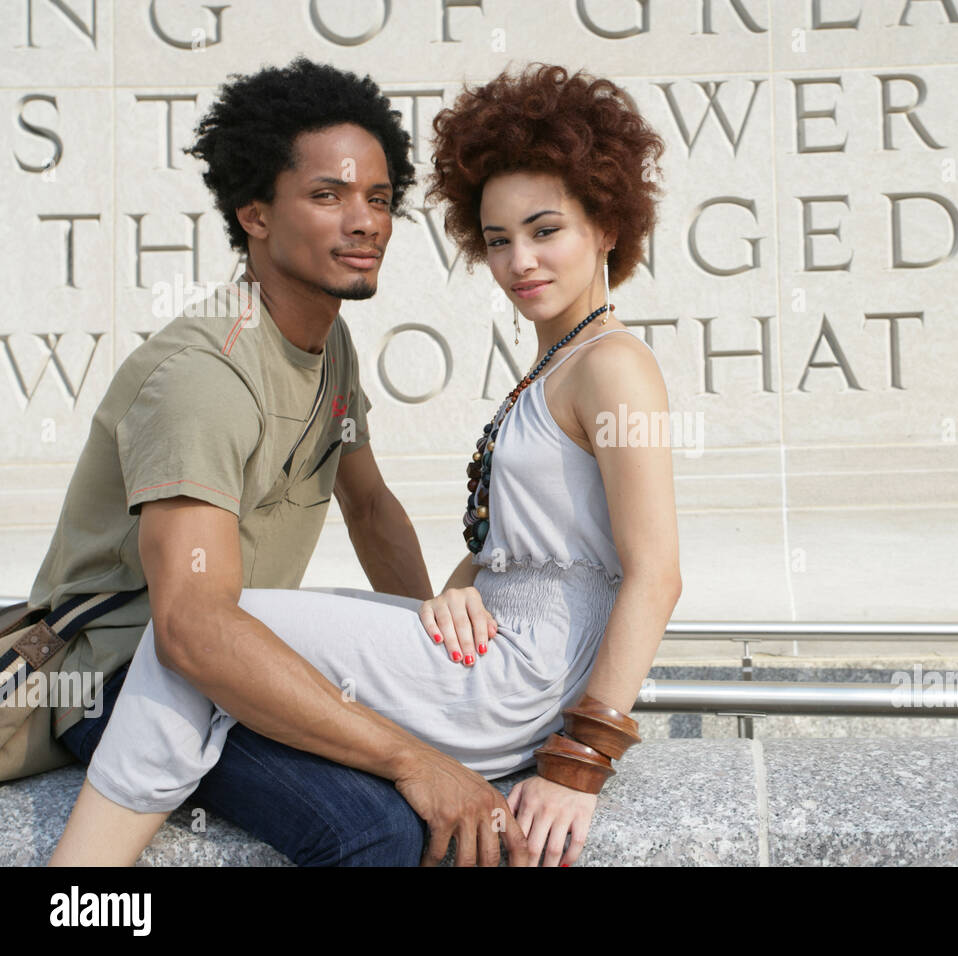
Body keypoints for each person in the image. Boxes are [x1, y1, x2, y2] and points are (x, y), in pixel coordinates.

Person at [49, 61, 680, 867]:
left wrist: (580, 761)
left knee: (237, 635)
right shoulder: (207, 375)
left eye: (379, 200)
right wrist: (449, 604)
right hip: (113, 669)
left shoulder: (607, 364)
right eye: (497, 240)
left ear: (609, 225)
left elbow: (652, 569)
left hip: (522, 680)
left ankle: (77, 880)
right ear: (255, 214)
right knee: (210, 631)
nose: (519, 260)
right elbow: (192, 629)